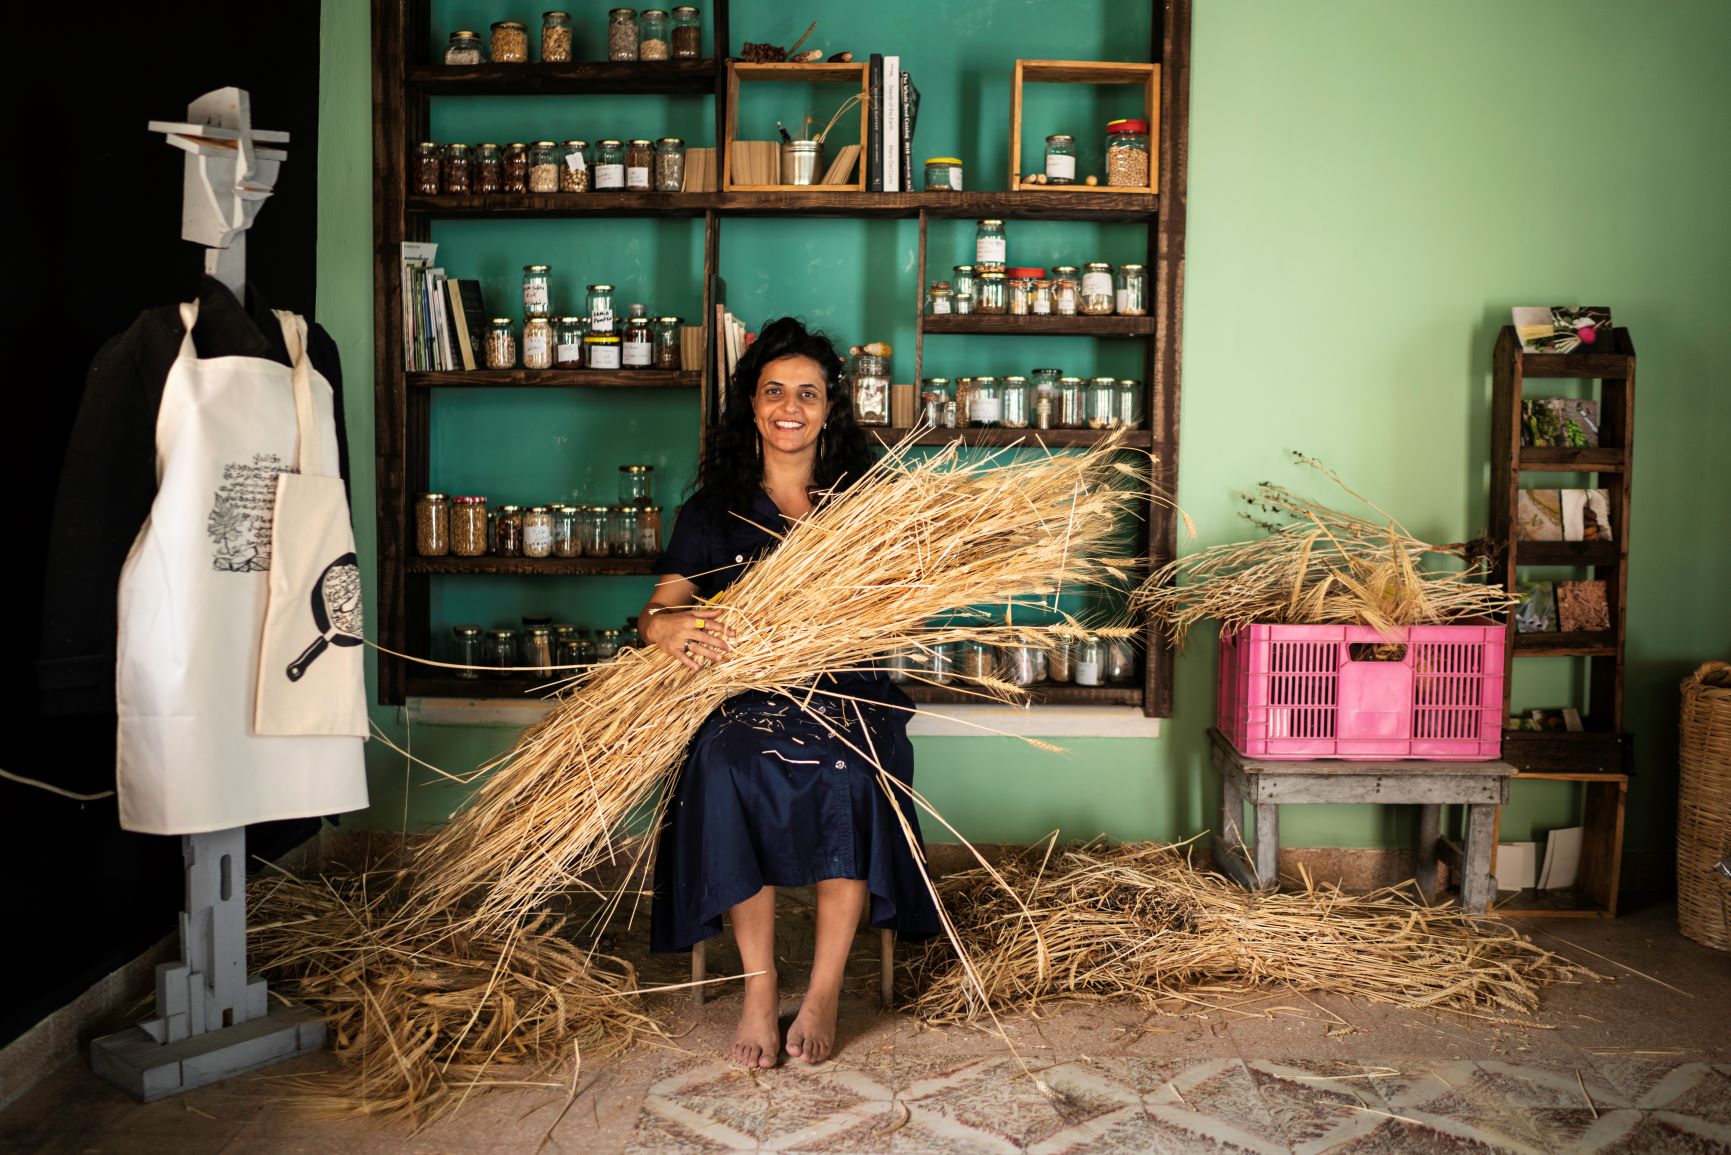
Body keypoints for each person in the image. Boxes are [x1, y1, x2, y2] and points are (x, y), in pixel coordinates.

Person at [641, 317, 941, 1068]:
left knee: (850, 768)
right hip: (748, 697)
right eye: (774, 390)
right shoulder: (711, 512)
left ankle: (824, 990)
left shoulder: (859, 509)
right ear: (751, 404)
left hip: (849, 691)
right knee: (727, 763)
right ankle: (757, 986)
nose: (789, 406)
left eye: (807, 393)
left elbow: (903, 603)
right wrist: (666, 628)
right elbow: (660, 607)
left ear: (828, 408)